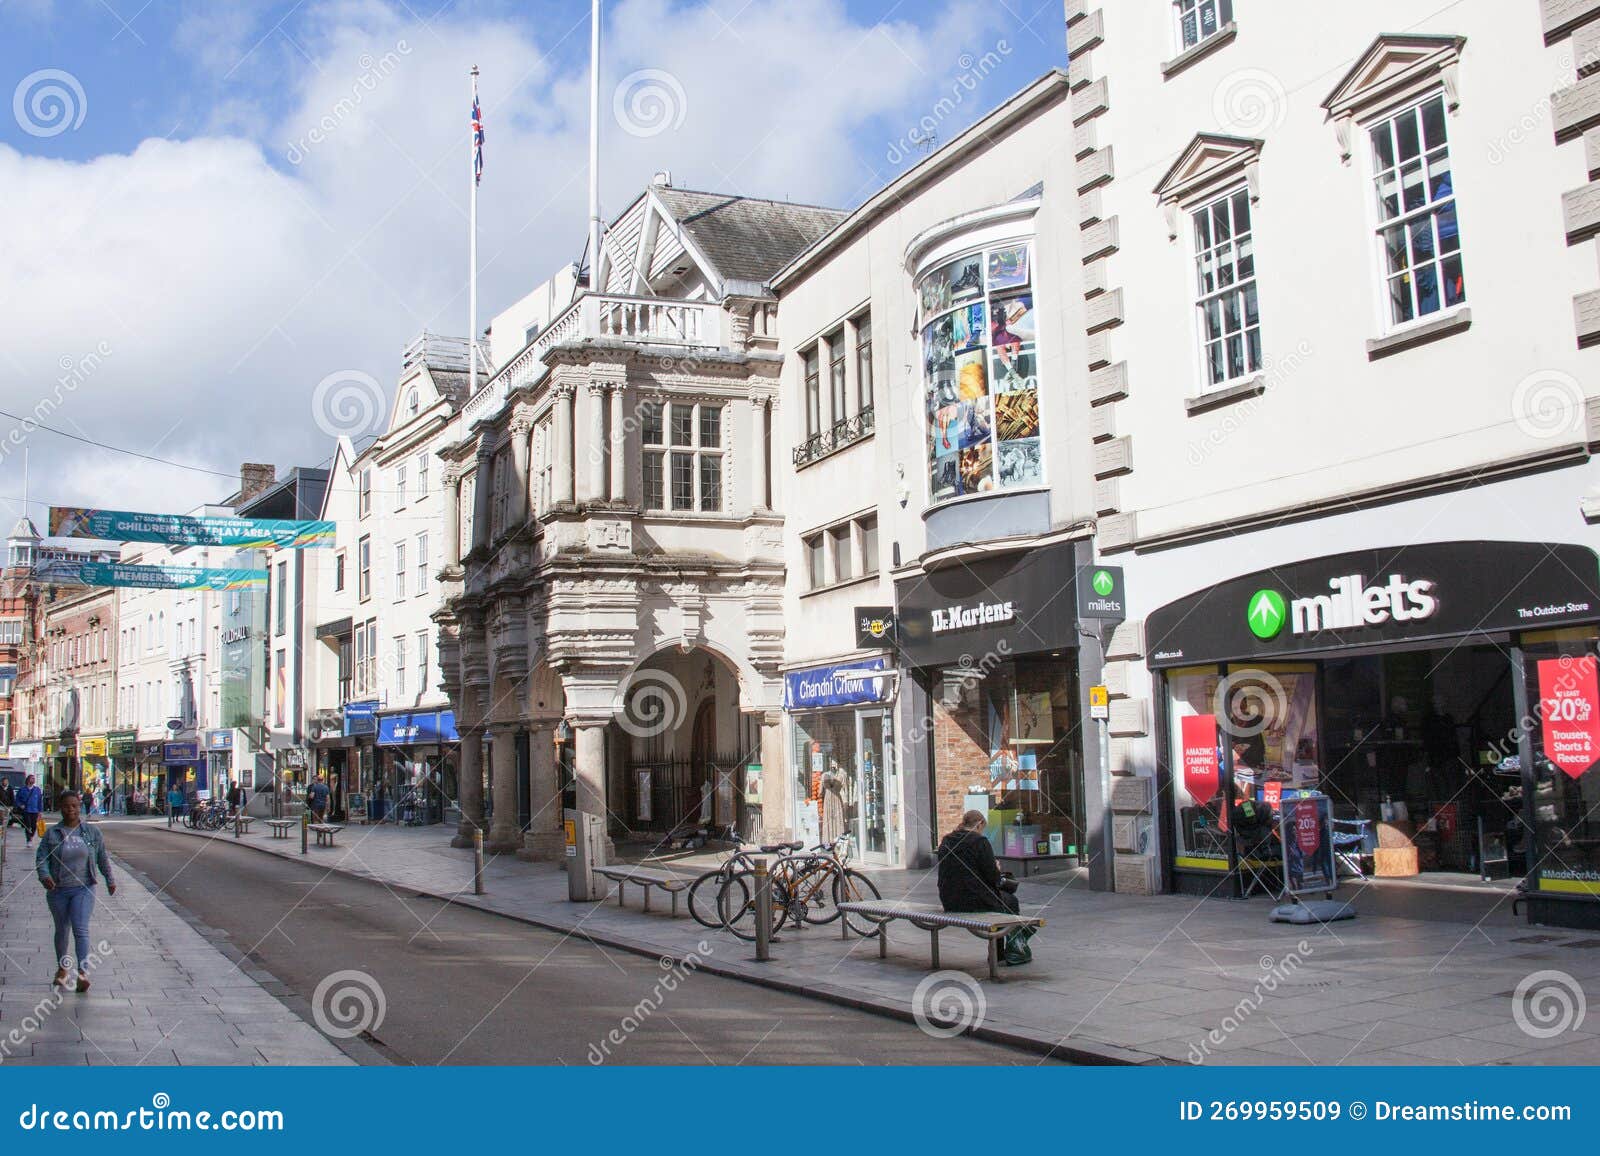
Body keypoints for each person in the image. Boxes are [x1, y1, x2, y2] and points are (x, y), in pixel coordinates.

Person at [35, 790, 115, 993]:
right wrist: (45, 876)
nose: (70, 809)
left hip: (84, 888)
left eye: (74, 806)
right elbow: (41, 857)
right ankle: (62, 968)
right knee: (62, 930)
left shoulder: (91, 832)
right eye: (66, 806)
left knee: (81, 929)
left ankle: (82, 973)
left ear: (80, 807)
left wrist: (110, 880)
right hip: (58, 890)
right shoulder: (52, 834)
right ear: (60, 808)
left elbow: (102, 858)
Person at [936, 810, 1035, 966]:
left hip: (949, 899)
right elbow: (993, 878)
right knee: (1010, 902)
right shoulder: (979, 842)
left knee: (1002, 899)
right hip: (973, 900)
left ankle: (1001, 952)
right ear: (980, 824)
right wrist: (996, 867)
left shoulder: (947, 840)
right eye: (983, 827)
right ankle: (1011, 950)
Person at [17, 774, 43, 845]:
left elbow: (40, 801)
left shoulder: (37, 790)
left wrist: (40, 811)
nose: (33, 780)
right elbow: (17, 799)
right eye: (32, 778)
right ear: (28, 780)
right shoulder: (22, 789)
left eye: (34, 779)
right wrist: (20, 805)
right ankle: (28, 840)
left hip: (35, 811)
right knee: (27, 825)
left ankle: (31, 836)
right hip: (26, 810)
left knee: (34, 826)